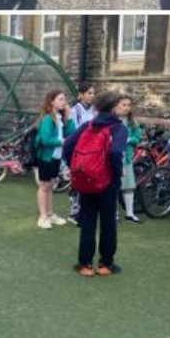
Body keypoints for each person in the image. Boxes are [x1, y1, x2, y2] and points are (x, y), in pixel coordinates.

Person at [62, 90, 129, 275]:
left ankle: (84, 264)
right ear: (114, 106)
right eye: (123, 104)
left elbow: (68, 145)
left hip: (86, 179)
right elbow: (116, 153)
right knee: (108, 222)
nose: (126, 108)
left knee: (88, 220)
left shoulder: (88, 125)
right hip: (108, 181)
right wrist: (117, 172)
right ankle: (105, 264)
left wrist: (74, 167)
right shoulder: (119, 128)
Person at [34, 88, 72, 229]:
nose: (64, 102)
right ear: (52, 101)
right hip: (46, 157)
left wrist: (69, 117)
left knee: (50, 185)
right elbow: (45, 140)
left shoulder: (59, 117)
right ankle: (43, 216)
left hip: (55, 157)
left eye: (64, 99)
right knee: (44, 186)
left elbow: (71, 133)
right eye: (61, 99)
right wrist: (61, 142)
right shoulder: (48, 119)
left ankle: (49, 213)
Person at [67, 82, 96, 226]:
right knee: (76, 181)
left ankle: (84, 210)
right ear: (80, 95)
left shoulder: (95, 111)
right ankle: (73, 212)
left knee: (87, 181)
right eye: (89, 93)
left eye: (93, 93)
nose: (91, 96)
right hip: (79, 151)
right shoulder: (75, 111)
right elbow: (73, 132)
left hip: (92, 151)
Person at [119, 96, 143, 225]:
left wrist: (129, 140)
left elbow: (137, 137)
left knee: (128, 186)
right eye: (124, 105)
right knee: (114, 186)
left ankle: (129, 213)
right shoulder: (113, 120)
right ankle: (113, 213)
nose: (127, 108)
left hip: (126, 158)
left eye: (129, 105)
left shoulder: (132, 121)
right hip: (114, 157)